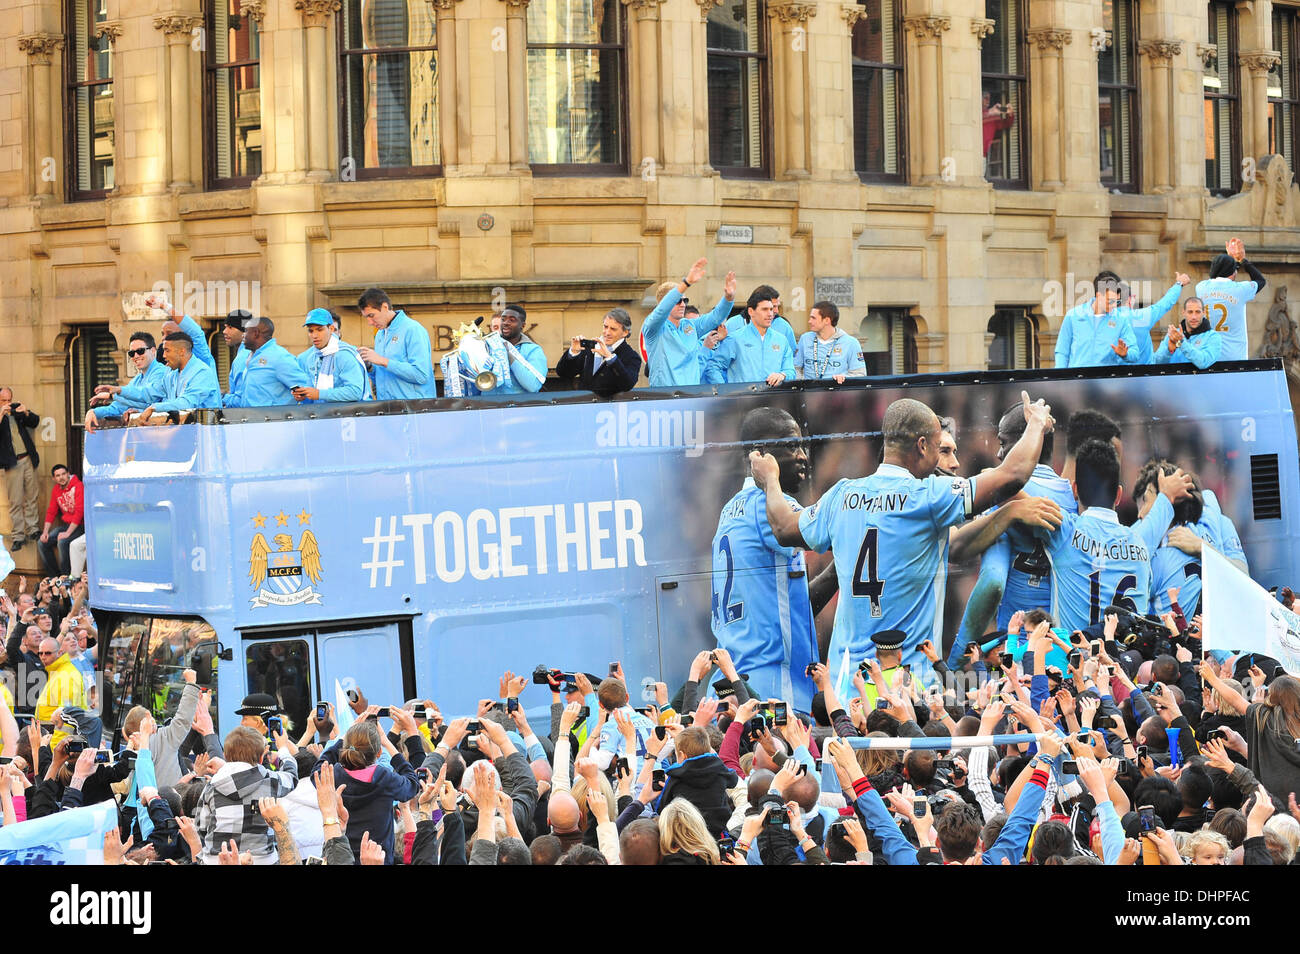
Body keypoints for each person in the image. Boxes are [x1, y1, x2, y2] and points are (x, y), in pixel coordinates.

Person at [750, 392, 1055, 690]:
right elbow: (1012, 474)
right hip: (910, 689)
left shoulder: (841, 495)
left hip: (847, 691)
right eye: (939, 448)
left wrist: (771, 481)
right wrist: (1037, 423)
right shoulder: (928, 497)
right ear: (922, 446)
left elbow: (784, 526)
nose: (944, 460)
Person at [948, 401, 1078, 668]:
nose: (998, 453)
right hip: (1063, 652)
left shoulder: (1001, 496)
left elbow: (992, 582)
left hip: (1017, 653)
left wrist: (959, 655)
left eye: (1003, 442)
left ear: (1025, 444)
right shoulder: (1072, 497)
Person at [709, 407, 823, 711]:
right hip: (774, 684)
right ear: (759, 455)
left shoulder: (729, 509)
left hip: (734, 678)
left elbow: (794, 604)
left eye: (802, 446)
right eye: (790, 445)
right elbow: (823, 532)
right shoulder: (771, 506)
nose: (802, 456)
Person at [1031, 439, 1193, 632]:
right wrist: (1166, 496)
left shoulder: (1065, 530)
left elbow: (1018, 491)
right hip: (1129, 660)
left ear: (1075, 491)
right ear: (1118, 494)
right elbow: (1154, 524)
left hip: (1075, 659)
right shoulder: (1139, 543)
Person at [194, 724, 300, 864]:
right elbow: (291, 776)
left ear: (225, 756)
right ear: (261, 759)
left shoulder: (212, 785)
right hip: (263, 859)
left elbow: (201, 826)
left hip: (217, 858)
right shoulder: (270, 781)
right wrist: (283, 749)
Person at [641, 259, 737, 387]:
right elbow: (661, 311)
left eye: (685, 300)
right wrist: (686, 283)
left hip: (691, 396)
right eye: (677, 301)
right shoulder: (654, 328)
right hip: (665, 398)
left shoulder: (690, 325)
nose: (683, 305)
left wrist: (728, 298)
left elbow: (715, 317)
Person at [704, 287, 796, 387]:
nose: (770, 314)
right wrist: (725, 391)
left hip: (773, 398)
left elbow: (790, 370)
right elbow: (713, 367)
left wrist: (782, 375)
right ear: (751, 311)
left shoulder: (781, 340)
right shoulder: (735, 338)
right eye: (764, 309)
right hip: (742, 400)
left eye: (771, 309)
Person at [355, 287, 435, 401]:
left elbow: (421, 375)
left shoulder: (413, 329)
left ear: (385, 307)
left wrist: (383, 361)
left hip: (414, 411)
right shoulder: (380, 334)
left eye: (371, 316)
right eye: (366, 317)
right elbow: (382, 376)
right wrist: (369, 367)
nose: (369, 322)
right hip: (387, 409)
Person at [84, 332, 172, 433]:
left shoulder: (162, 372)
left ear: (153, 351)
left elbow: (148, 398)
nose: (136, 356)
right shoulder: (137, 380)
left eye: (140, 351)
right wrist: (94, 412)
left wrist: (114, 394)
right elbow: (118, 407)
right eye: (132, 353)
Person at [1196, 237, 1266, 362]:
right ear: (1234, 272)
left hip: (1208, 357)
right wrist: (1242, 260)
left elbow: (1220, 276)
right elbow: (1260, 280)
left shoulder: (1200, 288)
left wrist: (1230, 261)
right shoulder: (1240, 289)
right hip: (1235, 358)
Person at [1055, 270, 1140, 368]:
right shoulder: (1073, 316)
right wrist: (1061, 378)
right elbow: (1062, 352)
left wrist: (1125, 354)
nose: (1114, 306)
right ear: (1099, 295)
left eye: (1116, 301)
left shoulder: (1121, 320)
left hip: (1106, 380)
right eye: (1110, 301)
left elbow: (1135, 353)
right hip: (1077, 380)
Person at [131, 333, 221, 424]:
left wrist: (154, 408)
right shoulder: (171, 374)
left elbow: (187, 403)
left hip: (205, 432)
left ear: (182, 351)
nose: (164, 356)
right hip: (182, 431)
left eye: (167, 350)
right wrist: (140, 412)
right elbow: (153, 394)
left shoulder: (202, 372)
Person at [222, 317, 312, 408]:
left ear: (255, 333)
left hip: (273, 420)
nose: (243, 335)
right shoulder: (251, 357)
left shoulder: (279, 357)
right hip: (251, 419)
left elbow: (306, 388)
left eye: (246, 331)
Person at [556, 308, 642, 396]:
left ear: (625, 332)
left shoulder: (631, 356)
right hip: (583, 405)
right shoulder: (590, 347)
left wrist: (610, 358)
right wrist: (573, 352)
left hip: (610, 408)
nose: (607, 332)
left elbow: (627, 385)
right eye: (605, 327)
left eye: (613, 329)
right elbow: (563, 373)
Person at [293, 308, 370, 404]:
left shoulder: (344, 354)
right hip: (322, 415)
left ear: (331, 329)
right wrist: (303, 395)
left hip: (348, 416)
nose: (314, 335)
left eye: (319, 330)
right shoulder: (311, 357)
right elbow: (314, 394)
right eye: (311, 331)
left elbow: (355, 392)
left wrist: (319, 394)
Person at [0, 388, 41, 550]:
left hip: (27, 458)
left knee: (32, 495)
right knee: (15, 501)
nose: (8, 403)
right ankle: (18, 536)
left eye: (9, 399)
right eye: (4, 400)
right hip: (12, 463)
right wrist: (1, 413)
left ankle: (33, 530)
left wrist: (26, 413)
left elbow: (35, 422)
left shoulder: (16, 413)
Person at [793, 301, 866, 382]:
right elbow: (795, 368)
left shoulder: (851, 343)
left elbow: (860, 374)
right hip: (809, 392)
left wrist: (844, 377)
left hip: (836, 393)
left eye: (813, 318)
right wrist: (803, 383)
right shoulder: (805, 339)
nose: (809, 321)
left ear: (827, 320)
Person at [145, 293, 216, 370]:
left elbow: (196, 333)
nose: (164, 338)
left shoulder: (200, 357)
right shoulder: (170, 372)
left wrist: (165, 306)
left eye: (169, 334)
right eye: (162, 334)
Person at [490, 304, 550, 395]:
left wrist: (508, 354)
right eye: (503, 319)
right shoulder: (489, 345)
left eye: (512, 320)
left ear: (522, 325)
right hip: (487, 406)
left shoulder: (534, 350)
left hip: (519, 406)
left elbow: (533, 386)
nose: (505, 323)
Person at [36, 464, 83, 578]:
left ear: (68, 474)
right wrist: (45, 532)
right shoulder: (56, 490)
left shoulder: (79, 486)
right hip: (67, 525)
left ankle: (66, 579)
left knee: (63, 542)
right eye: (58, 475)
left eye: (63, 474)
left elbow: (80, 512)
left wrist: (67, 533)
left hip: (81, 526)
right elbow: (51, 511)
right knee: (42, 542)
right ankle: (54, 578)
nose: (61, 477)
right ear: (54, 478)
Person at [1153, 296, 1223, 369]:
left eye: (1198, 312)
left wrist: (1181, 342)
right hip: (1173, 380)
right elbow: (1156, 363)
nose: (1194, 317)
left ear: (1204, 312)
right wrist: (1168, 350)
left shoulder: (1213, 337)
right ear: (1184, 312)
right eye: (1190, 312)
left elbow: (1203, 362)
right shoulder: (1173, 335)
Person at [724, 286, 798, 354]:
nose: (776, 311)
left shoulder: (784, 326)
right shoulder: (732, 324)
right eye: (772, 307)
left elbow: (792, 358)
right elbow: (721, 357)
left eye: (776, 306)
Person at [222, 309, 252, 400]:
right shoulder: (248, 352)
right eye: (225, 327)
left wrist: (223, 399)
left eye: (230, 327)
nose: (224, 331)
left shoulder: (244, 357)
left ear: (244, 332)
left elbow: (241, 399)